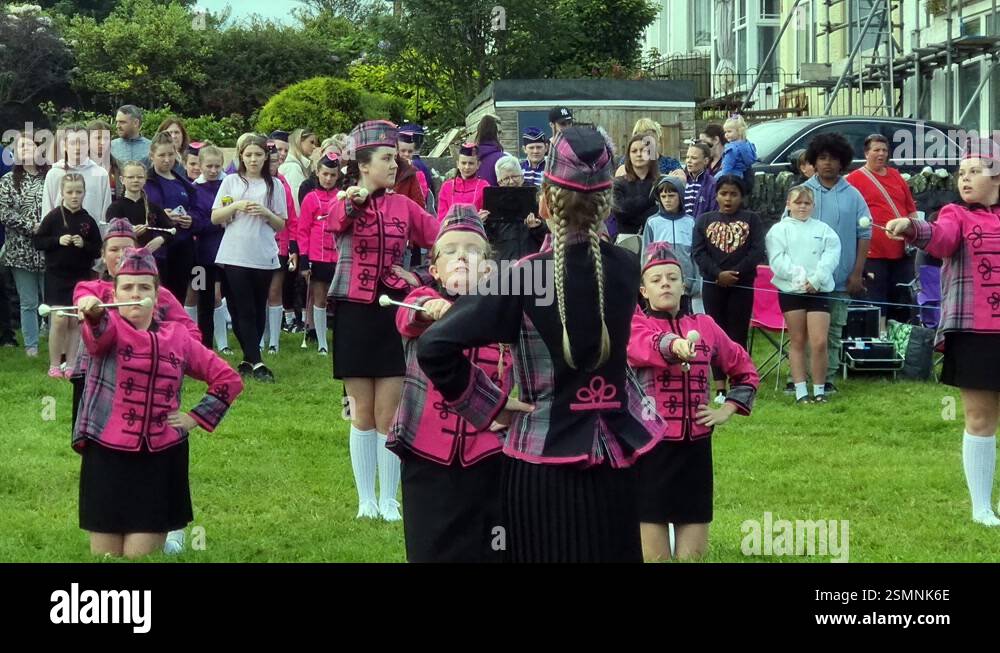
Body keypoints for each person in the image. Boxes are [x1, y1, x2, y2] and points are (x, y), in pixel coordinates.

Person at [417, 125, 667, 562]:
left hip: (540, 460)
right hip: (615, 454)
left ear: (546, 199)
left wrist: (488, 403)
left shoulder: (525, 275)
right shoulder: (628, 266)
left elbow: (435, 346)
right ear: (607, 201)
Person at [74, 246, 242, 558]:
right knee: (106, 558)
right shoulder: (108, 325)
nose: (135, 293)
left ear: (157, 293)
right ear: (115, 292)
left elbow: (229, 379)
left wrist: (194, 417)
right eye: (126, 287)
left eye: (143, 287)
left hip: (160, 458)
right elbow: (97, 335)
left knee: (140, 557)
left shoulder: (177, 336)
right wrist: (93, 311)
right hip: (106, 456)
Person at [326, 120, 440, 521]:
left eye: (395, 157)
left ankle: (389, 499)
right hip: (354, 313)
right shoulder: (342, 201)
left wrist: (421, 277)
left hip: (393, 310)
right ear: (363, 164)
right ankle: (365, 500)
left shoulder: (406, 206)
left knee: (389, 412)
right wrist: (355, 198)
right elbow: (334, 223)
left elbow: (441, 242)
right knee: (361, 409)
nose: (395, 164)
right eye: (387, 158)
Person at [886, 139, 1000, 526]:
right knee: (980, 418)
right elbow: (941, 237)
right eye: (961, 173)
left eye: (975, 171)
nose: (964, 178)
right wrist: (911, 227)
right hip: (976, 332)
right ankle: (982, 507)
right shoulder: (955, 214)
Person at [387, 206, 507, 562]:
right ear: (435, 268)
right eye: (450, 251)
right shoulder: (419, 298)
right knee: (429, 547)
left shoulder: (504, 311)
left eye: (472, 250)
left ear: (488, 268)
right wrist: (432, 309)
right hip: (427, 451)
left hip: (490, 449)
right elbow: (407, 316)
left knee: (491, 548)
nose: (461, 258)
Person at [629, 242, 758, 560]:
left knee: (692, 558)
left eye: (672, 277)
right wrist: (674, 346)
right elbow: (643, 346)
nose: (665, 284)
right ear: (643, 291)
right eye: (656, 279)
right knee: (655, 558)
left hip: (697, 452)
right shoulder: (633, 326)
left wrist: (727, 409)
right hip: (649, 450)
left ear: (684, 285)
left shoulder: (707, 327)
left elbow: (745, 371)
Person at [211, 134, 288, 383]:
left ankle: (248, 358)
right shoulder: (231, 181)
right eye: (248, 155)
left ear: (265, 157)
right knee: (240, 306)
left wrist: (265, 212)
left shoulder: (274, 185)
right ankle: (257, 361)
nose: (253, 159)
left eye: (258, 154)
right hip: (234, 253)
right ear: (241, 157)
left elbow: (280, 225)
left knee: (257, 307)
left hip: (263, 254)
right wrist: (235, 206)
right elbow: (215, 217)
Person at [803, 133, 872, 393]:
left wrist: (857, 273)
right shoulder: (803, 192)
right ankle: (803, 377)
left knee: (833, 331)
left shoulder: (853, 195)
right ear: (814, 161)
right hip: (807, 279)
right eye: (822, 158)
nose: (828, 163)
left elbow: (864, 234)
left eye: (833, 158)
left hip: (842, 278)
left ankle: (827, 378)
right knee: (807, 332)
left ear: (842, 161)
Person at [692, 175, 765, 404]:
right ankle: (720, 386)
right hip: (713, 285)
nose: (728, 198)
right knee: (715, 333)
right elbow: (698, 251)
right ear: (716, 195)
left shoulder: (751, 219)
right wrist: (717, 274)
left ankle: (740, 383)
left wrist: (736, 274)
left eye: (733, 194)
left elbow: (756, 251)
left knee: (737, 333)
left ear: (741, 196)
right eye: (724, 193)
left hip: (741, 285)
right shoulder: (704, 220)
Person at [766, 186, 841, 404]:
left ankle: (819, 390)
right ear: (788, 204)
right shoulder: (778, 230)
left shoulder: (824, 229)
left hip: (818, 290)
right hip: (792, 291)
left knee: (819, 341)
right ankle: (801, 391)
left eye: (807, 203)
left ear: (813, 206)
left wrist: (816, 279)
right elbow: (777, 260)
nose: (802, 207)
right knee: (798, 340)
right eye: (798, 202)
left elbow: (831, 255)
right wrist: (798, 278)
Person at [846, 133, 919, 329]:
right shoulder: (854, 180)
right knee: (876, 301)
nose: (881, 154)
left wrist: (914, 234)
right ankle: (879, 342)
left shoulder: (896, 175)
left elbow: (910, 209)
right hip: (874, 253)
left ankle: (900, 342)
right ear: (866, 153)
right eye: (876, 150)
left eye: (884, 150)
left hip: (902, 252)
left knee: (902, 300)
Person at [33, 173, 102, 378]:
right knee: (59, 319)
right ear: (62, 193)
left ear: (84, 193)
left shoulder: (88, 220)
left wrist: (85, 245)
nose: (74, 196)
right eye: (70, 192)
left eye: (78, 192)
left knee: (75, 321)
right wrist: (57, 240)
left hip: (80, 277)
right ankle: (55, 364)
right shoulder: (54, 217)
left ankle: (71, 363)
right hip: (56, 276)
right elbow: (38, 242)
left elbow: (98, 248)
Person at [0, 130, 49, 357]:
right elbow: (4, 212)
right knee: (28, 301)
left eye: (31, 146)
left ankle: (53, 337)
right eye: (22, 148)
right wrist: (31, 226)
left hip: (49, 247)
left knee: (51, 298)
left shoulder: (52, 177)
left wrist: (47, 226)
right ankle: (31, 346)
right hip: (20, 249)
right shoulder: (8, 181)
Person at [642, 175, 701, 311]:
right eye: (663, 196)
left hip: (685, 285)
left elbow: (695, 255)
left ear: (680, 196)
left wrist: (696, 281)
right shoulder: (652, 222)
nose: (667, 200)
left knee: (683, 318)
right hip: (660, 285)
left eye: (671, 195)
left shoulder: (690, 222)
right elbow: (646, 256)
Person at [486, 154, 546, 262]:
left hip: (533, 261)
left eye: (514, 176)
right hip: (504, 262)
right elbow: (489, 239)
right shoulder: (494, 201)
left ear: (522, 176)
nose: (511, 181)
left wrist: (538, 227)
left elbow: (549, 235)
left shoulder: (536, 196)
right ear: (499, 182)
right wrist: (483, 223)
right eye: (506, 178)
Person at [612, 134, 658, 241]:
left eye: (643, 150)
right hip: (626, 240)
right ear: (629, 155)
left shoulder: (660, 183)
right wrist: (650, 202)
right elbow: (620, 212)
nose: (638, 154)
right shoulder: (618, 183)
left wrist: (633, 209)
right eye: (634, 151)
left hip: (655, 240)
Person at [437, 143, 490, 220]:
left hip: (476, 230)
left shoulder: (484, 186)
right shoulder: (447, 187)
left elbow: (488, 214)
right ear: (458, 164)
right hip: (451, 230)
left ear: (478, 165)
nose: (467, 167)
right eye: (463, 163)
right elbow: (441, 218)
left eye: (471, 163)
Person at [474, 115, 505, 187]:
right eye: (499, 132)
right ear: (494, 133)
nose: (501, 136)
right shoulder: (503, 159)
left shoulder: (467, 161)